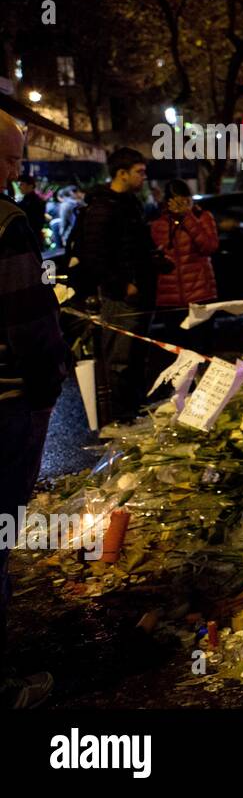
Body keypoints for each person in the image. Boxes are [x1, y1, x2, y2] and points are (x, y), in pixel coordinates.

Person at [0, 110, 67, 708]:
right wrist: (49, 387)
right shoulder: (8, 225)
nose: (18, 170)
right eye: (14, 157)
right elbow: (29, 323)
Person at [80, 148, 160, 421]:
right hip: (121, 298)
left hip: (141, 294)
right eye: (139, 172)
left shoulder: (130, 204)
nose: (143, 177)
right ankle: (119, 419)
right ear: (121, 174)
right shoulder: (102, 208)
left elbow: (135, 246)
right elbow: (95, 256)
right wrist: (122, 286)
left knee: (137, 358)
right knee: (120, 361)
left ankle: (134, 413)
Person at [151, 180, 219, 352]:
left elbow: (209, 247)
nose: (183, 205)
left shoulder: (203, 217)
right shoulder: (159, 224)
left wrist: (188, 218)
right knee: (178, 351)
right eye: (178, 202)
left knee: (202, 349)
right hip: (171, 299)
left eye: (186, 201)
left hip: (200, 295)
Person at [15, 176, 45, 243]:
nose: (19, 187)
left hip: (30, 237)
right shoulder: (28, 200)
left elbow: (36, 222)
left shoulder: (34, 202)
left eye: (21, 184)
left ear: (30, 186)